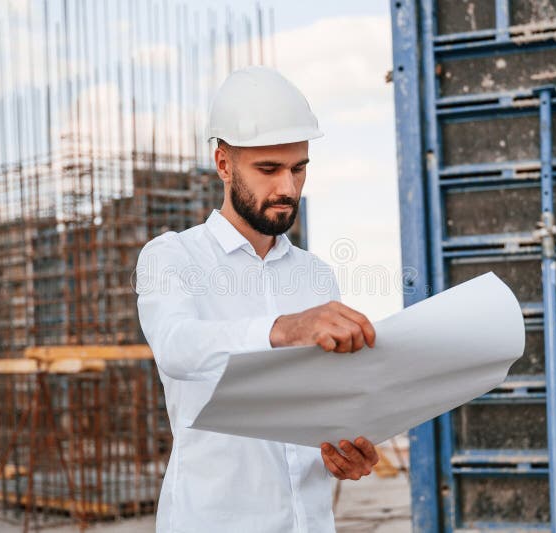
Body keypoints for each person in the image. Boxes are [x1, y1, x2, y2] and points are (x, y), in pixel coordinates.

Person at [136, 65, 378, 533]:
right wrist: (284, 329)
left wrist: (345, 451)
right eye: (268, 169)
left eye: (299, 168)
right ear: (224, 164)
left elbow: (325, 404)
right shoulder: (172, 256)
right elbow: (177, 346)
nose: (287, 188)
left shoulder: (316, 277)